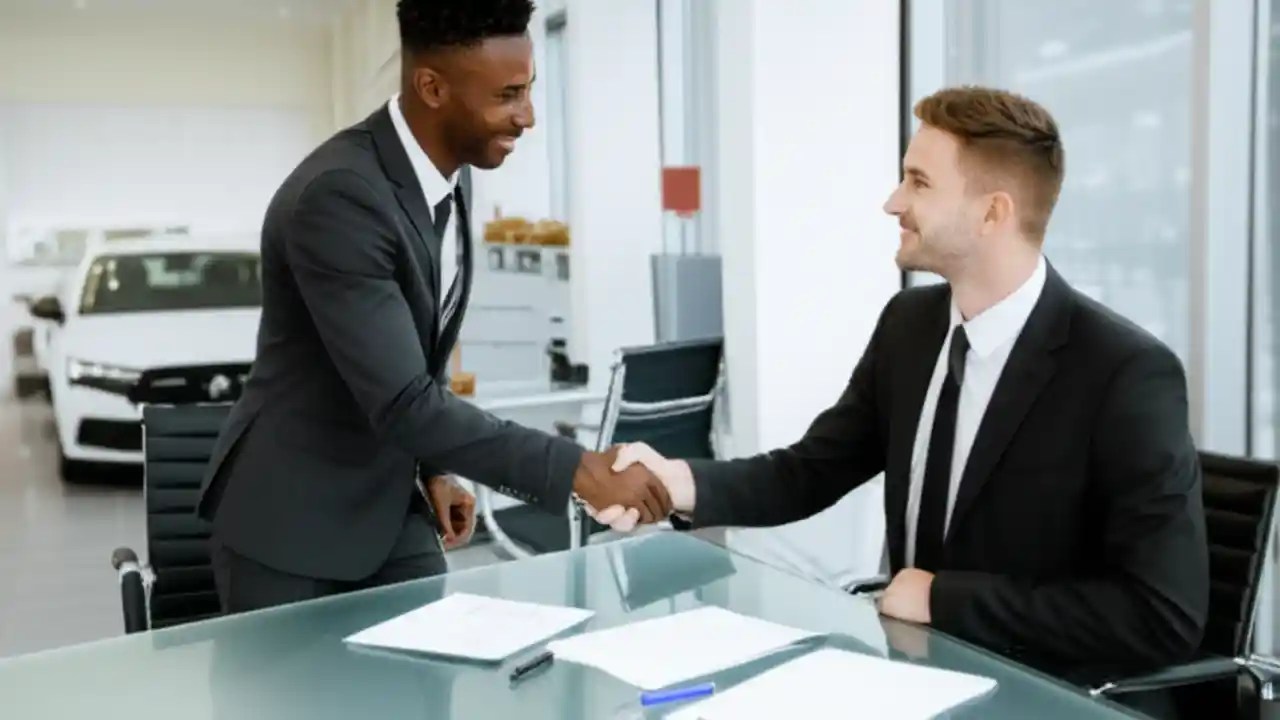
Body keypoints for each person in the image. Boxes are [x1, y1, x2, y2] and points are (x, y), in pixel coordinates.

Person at [604, 86, 1209, 677]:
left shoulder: (1123, 372)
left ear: (992, 212)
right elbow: (813, 468)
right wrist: (675, 480)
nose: (893, 202)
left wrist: (943, 599)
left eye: (918, 181)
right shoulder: (910, 325)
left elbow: (1161, 615)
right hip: (913, 671)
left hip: (1039, 690)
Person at [197, 0, 671, 614]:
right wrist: (579, 469)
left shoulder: (449, 172)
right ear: (432, 88)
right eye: (508, 95)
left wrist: (433, 468)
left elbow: (416, 344)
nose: (527, 116)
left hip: (390, 504)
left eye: (528, 91)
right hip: (296, 525)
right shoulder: (339, 198)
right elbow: (402, 401)